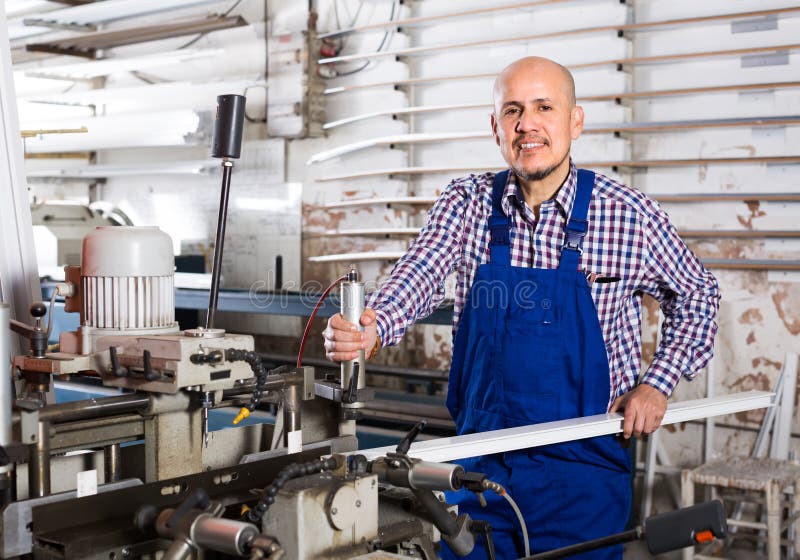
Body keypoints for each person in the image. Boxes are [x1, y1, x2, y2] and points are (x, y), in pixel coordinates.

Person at [323, 56, 720, 559]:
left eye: (543, 107)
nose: (526, 124)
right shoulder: (467, 203)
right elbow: (421, 270)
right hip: (479, 470)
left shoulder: (629, 215)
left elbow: (699, 296)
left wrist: (656, 383)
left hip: (584, 477)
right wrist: (374, 323)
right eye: (512, 110)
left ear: (575, 120)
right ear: (495, 127)